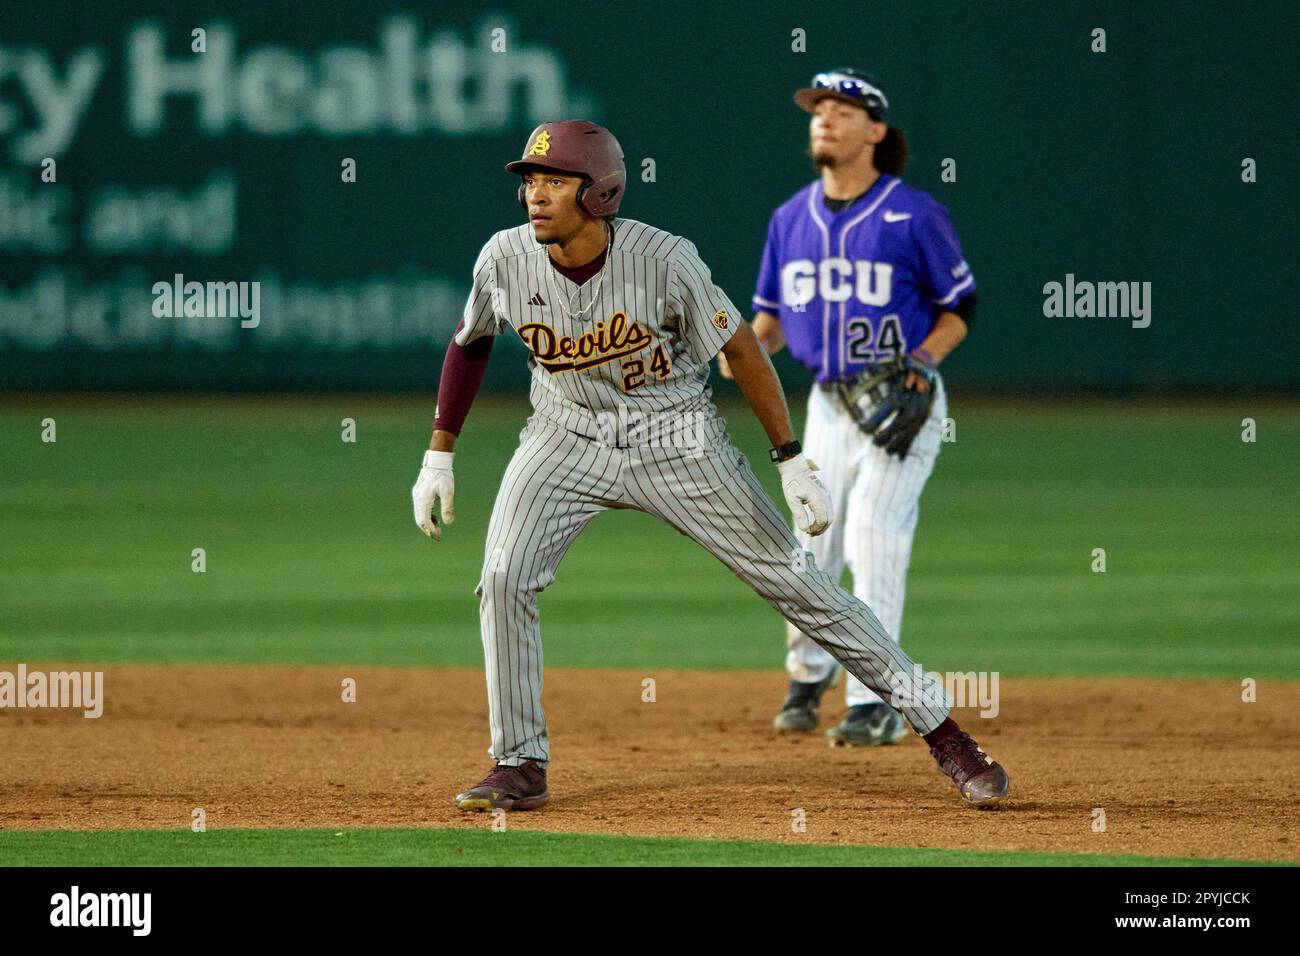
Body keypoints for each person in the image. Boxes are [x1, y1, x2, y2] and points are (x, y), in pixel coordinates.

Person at [411, 119, 1008, 811]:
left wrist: (790, 460)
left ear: (599, 192)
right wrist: (438, 454)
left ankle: (946, 733)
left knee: (801, 586)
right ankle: (518, 763)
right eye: (531, 182)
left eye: (555, 181)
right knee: (503, 577)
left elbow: (745, 352)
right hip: (562, 435)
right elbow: (470, 342)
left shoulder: (666, 261)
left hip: (678, 437)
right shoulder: (503, 258)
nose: (536, 195)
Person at [720, 69, 979, 747]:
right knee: (812, 543)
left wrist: (923, 362)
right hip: (828, 405)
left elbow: (960, 308)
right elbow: (770, 321)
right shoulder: (788, 218)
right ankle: (808, 678)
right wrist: (742, 347)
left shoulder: (914, 214)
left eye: (842, 109)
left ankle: (878, 699)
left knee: (873, 533)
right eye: (816, 110)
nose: (824, 119)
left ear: (876, 132)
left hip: (904, 394)